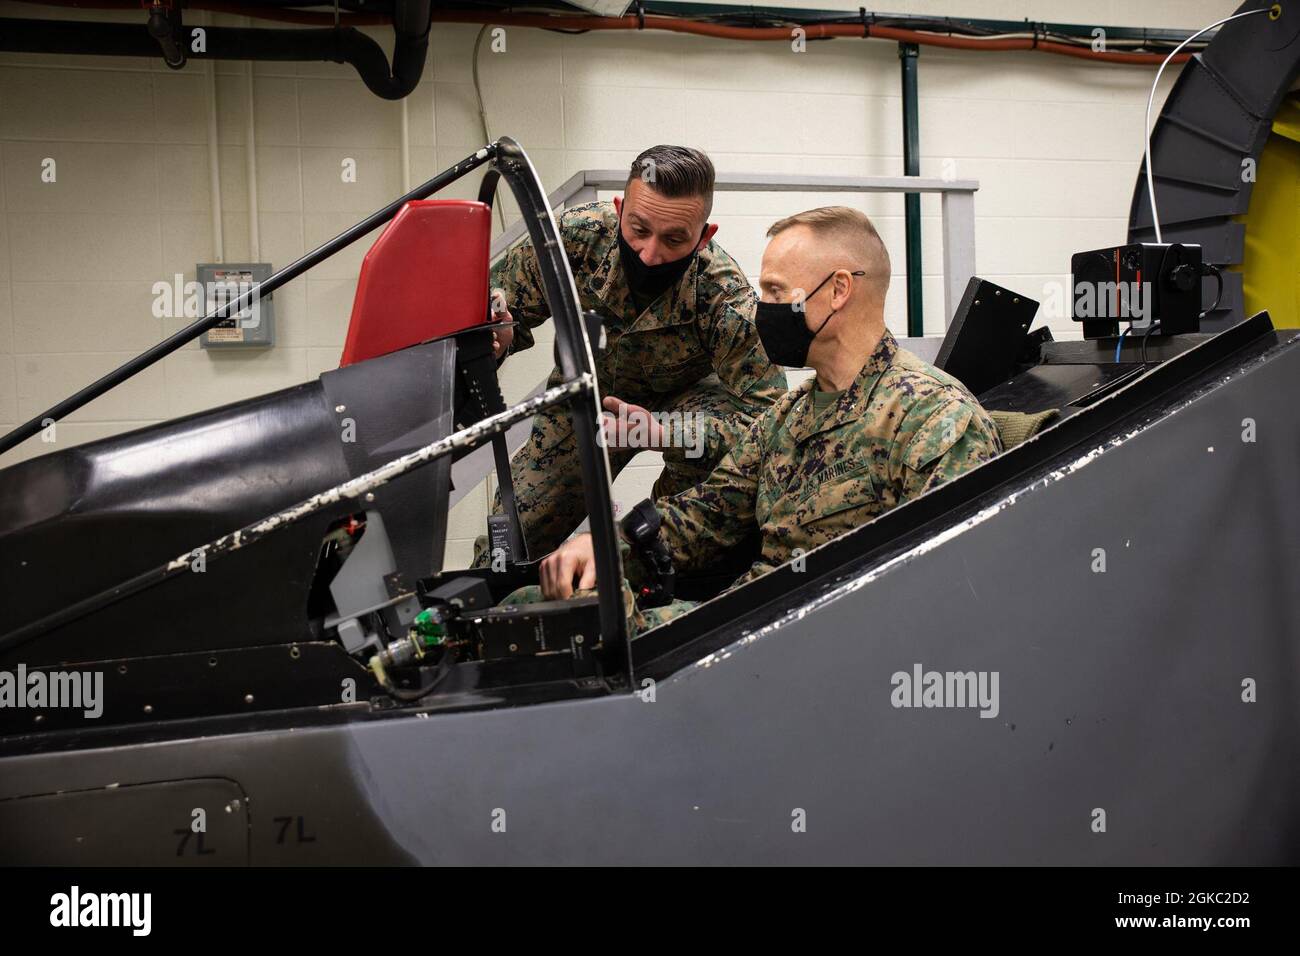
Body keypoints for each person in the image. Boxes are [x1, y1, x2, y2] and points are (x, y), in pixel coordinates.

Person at [533, 205, 1004, 632]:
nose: (762, 309)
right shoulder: (787, 415)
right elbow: (708, 512)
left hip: (807, 648)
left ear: (838, 289)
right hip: (753, 628)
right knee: (535, 607)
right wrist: (605, 545)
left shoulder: (933, 420)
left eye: (775, 291)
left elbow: (947, 599)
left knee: (586, 636)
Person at [473, 145, 787, 566]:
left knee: (697, 495)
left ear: (704, 235)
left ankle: (655, 573)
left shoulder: (725, 299)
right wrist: (499, 339)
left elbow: (766, 418)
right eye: (638, 229)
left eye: (675, 239)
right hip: (589, 397)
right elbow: (499, 314)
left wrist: (666, 434)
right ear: (620, 209)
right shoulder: (576, 237)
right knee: (512, 537)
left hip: (684, 407)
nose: (650, 254)